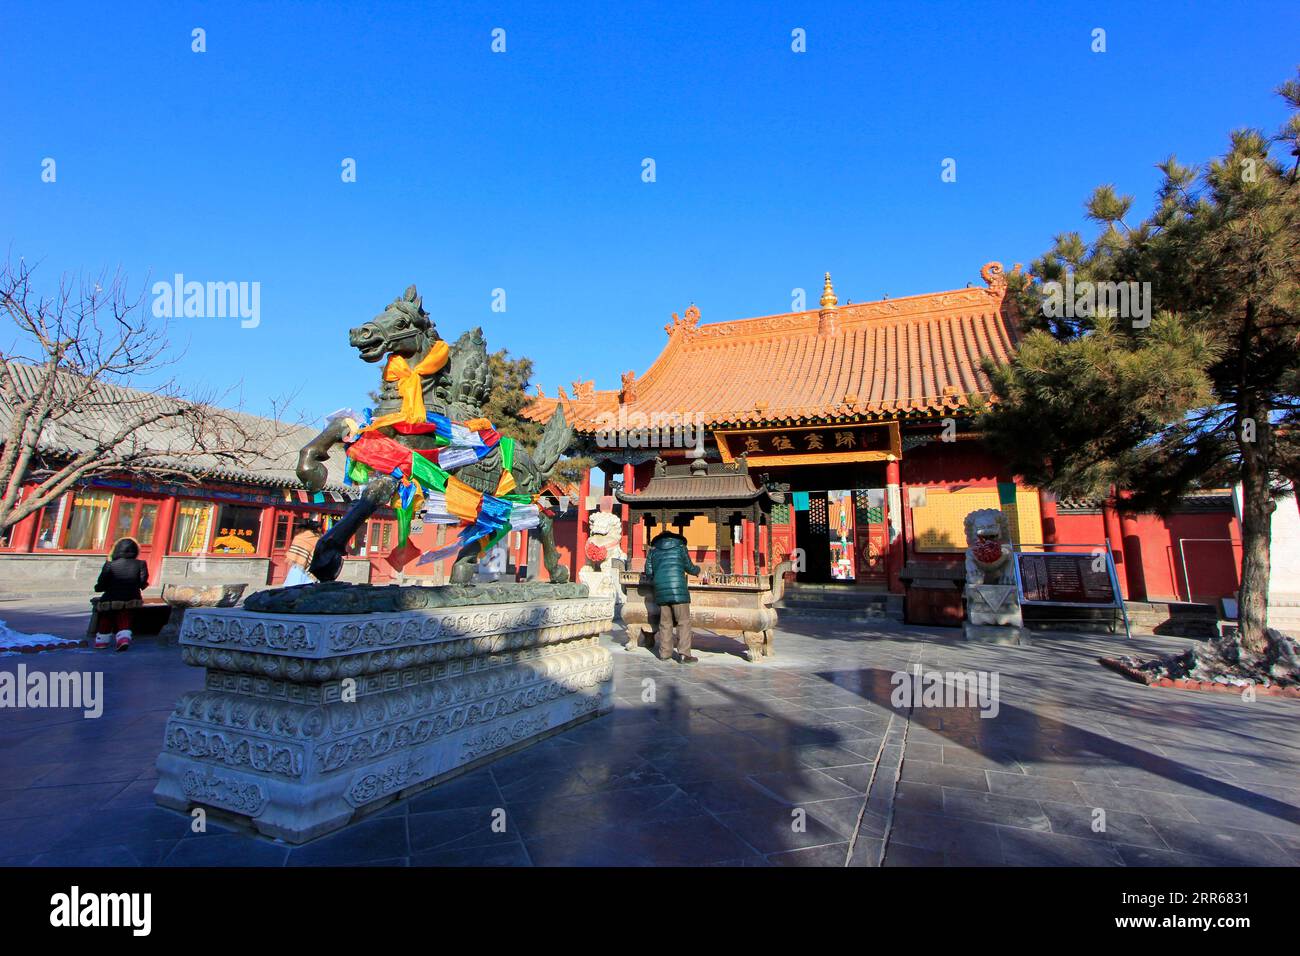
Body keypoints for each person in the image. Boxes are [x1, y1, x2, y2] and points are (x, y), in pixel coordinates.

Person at [644, 529, 701, 663]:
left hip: (661, 589)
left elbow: (648, 571)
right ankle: (684, 654)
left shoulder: (653, 550)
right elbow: (689, 567)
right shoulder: (680, 547)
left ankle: (665, 653)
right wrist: (697, 570)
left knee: (665, 623)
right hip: (678, 589)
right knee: (683, 622)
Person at [93, 537, 149, 651]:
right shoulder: (141, 564)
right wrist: (140, 586)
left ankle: (102, 641)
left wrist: (99, 588)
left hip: (111, 596)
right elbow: (143, 581)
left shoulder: (110, 564)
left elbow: (102, 582)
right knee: (125, 617)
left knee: (107, 617)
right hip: (131, 596)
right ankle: (123, 639)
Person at [284, 519, 322, 586]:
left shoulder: (299, 537)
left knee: (293, 587)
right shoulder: (318, 539)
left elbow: (294, 551)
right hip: (309, 570)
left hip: (297, 566)